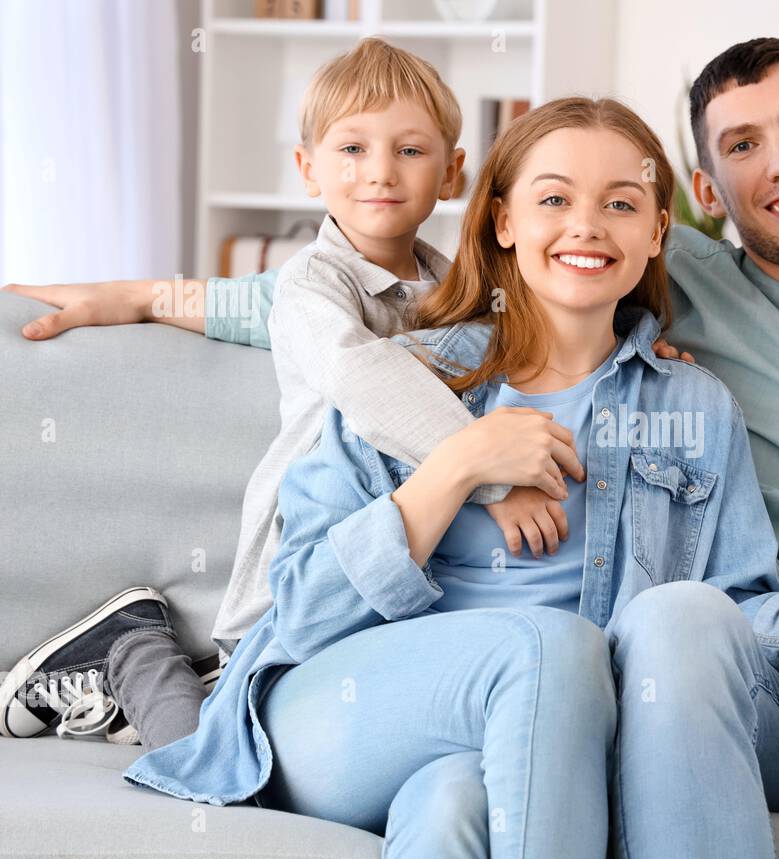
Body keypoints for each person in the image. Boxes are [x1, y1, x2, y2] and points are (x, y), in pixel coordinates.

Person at [4, 37, 779, 859]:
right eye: (549, 200)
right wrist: (451, 460)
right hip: (419, 678)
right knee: (594, 639)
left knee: (455, 809)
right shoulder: (411, 372)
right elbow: (311, 323)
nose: (585, 225)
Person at [0, 37, 573, 752]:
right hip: (300, 580)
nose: (380, 173)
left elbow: (531, 343)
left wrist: (642, 346)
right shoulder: (310, 286)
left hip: (398, 577)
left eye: (410, 151)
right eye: (352, 149)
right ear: (307, 169)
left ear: (452, 172)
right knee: (210, 751)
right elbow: (362, 375)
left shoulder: (455, 293)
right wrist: (492, 475)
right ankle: (130, 652)